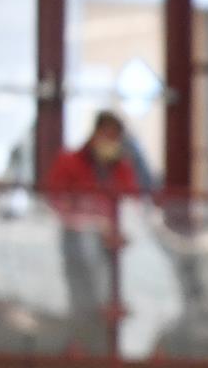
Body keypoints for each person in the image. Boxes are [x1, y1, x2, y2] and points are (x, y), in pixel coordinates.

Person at [43, 112, 141, 355]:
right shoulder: (69, 162)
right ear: (95, 134)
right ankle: (83, 344)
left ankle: (109, 346)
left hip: (112, 246)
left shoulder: (123, 169)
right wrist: (91, 219)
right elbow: (55, 200)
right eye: (106, 135)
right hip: (75, 240)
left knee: (111, 292)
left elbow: (132, 205)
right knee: (83, 294)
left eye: (115, 137)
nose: (110, 142)